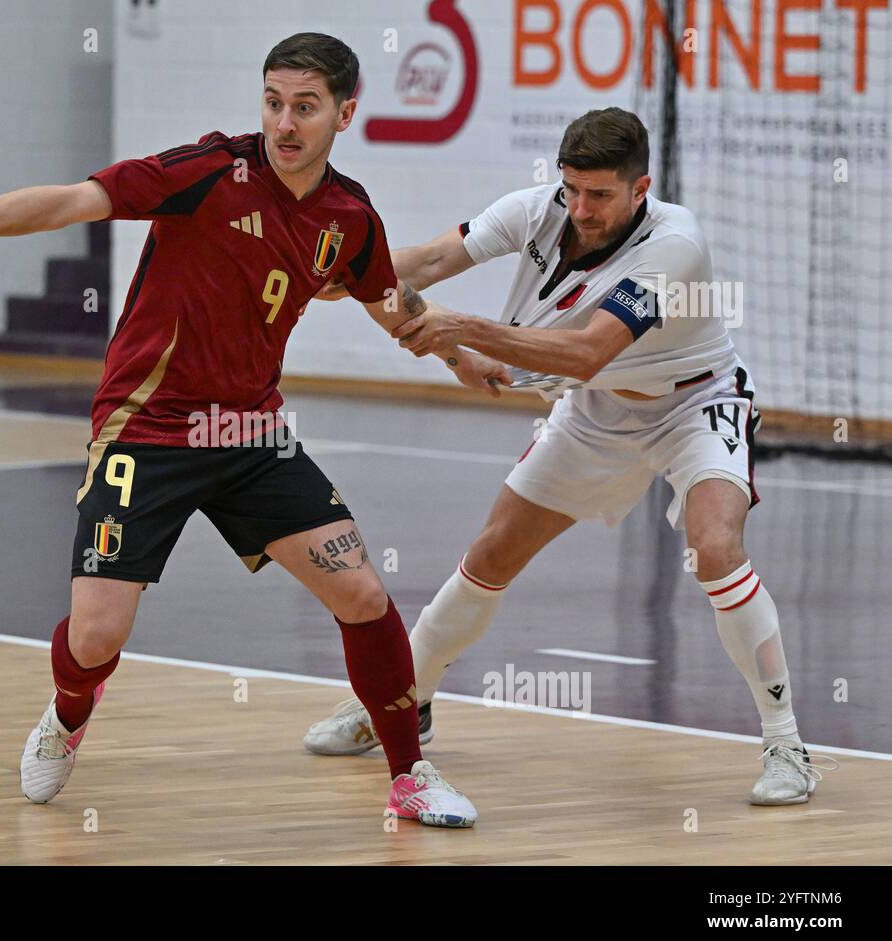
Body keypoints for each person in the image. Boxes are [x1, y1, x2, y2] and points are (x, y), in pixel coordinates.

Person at [0, 34, 510, 827]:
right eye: (273, 102)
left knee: (363, 590)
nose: (284, 122)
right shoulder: (205, 174)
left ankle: (409, 772)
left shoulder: (349, 217)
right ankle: (67, 716)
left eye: (304, 106)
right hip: (149, 428)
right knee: (96, 636)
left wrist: (459, 358)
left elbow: (389, 306)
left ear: (345, 111)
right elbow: (74, 199)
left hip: (250, 433)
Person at [303, 107, 837, 807]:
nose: (580, 208)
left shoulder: (677, 246)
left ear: (641, 187)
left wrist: (462, 327)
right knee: (493, 551)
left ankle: (787, 745)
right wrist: (343, 269)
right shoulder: (535, 210)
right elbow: (428, 261)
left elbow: (589, 349)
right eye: (572, 189)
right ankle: (408, 702)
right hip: (598, 409)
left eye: (600, 196)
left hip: (693, 404)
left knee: (715, 546)